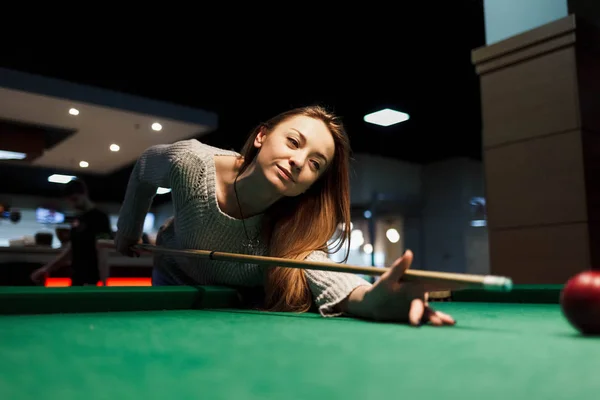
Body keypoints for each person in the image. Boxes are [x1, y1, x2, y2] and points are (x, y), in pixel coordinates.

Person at [115, 105, 456, 326]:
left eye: (314, 164)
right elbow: (145, 166)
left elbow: (326, 276)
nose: (298, 161)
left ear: (308, 186)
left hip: (234, 305)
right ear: (262, 136)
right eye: (294, 142)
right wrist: (128, 230)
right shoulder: (189, 162)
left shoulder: (296, 229)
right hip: (174, 279)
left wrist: (372, 300)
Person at [31, 179, 113, 286]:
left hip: (92, 279)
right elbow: (71, 249)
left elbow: (103, 252)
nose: (73, 204)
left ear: (84, 194)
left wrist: (104, 283)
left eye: (75, 199)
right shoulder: (78, 219)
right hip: (77, 277)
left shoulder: (100, 218)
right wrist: (47, 269)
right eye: (70, 201)